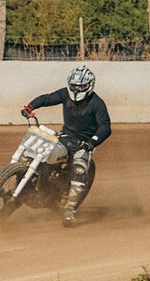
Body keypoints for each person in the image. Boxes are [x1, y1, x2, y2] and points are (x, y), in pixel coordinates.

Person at [22, 64, 112, 227]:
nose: (77, 91)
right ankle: (23, 180)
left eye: (81, 87)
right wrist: (30, 106)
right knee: (35, 152)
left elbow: (105, 126)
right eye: (74, 86)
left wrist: (91, 143)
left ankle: (70, 210)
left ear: (89, 86)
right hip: (63, 137)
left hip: (82, 144)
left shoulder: (97, 103)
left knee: (79, 170)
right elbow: (48, 98)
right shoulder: (65, 94)